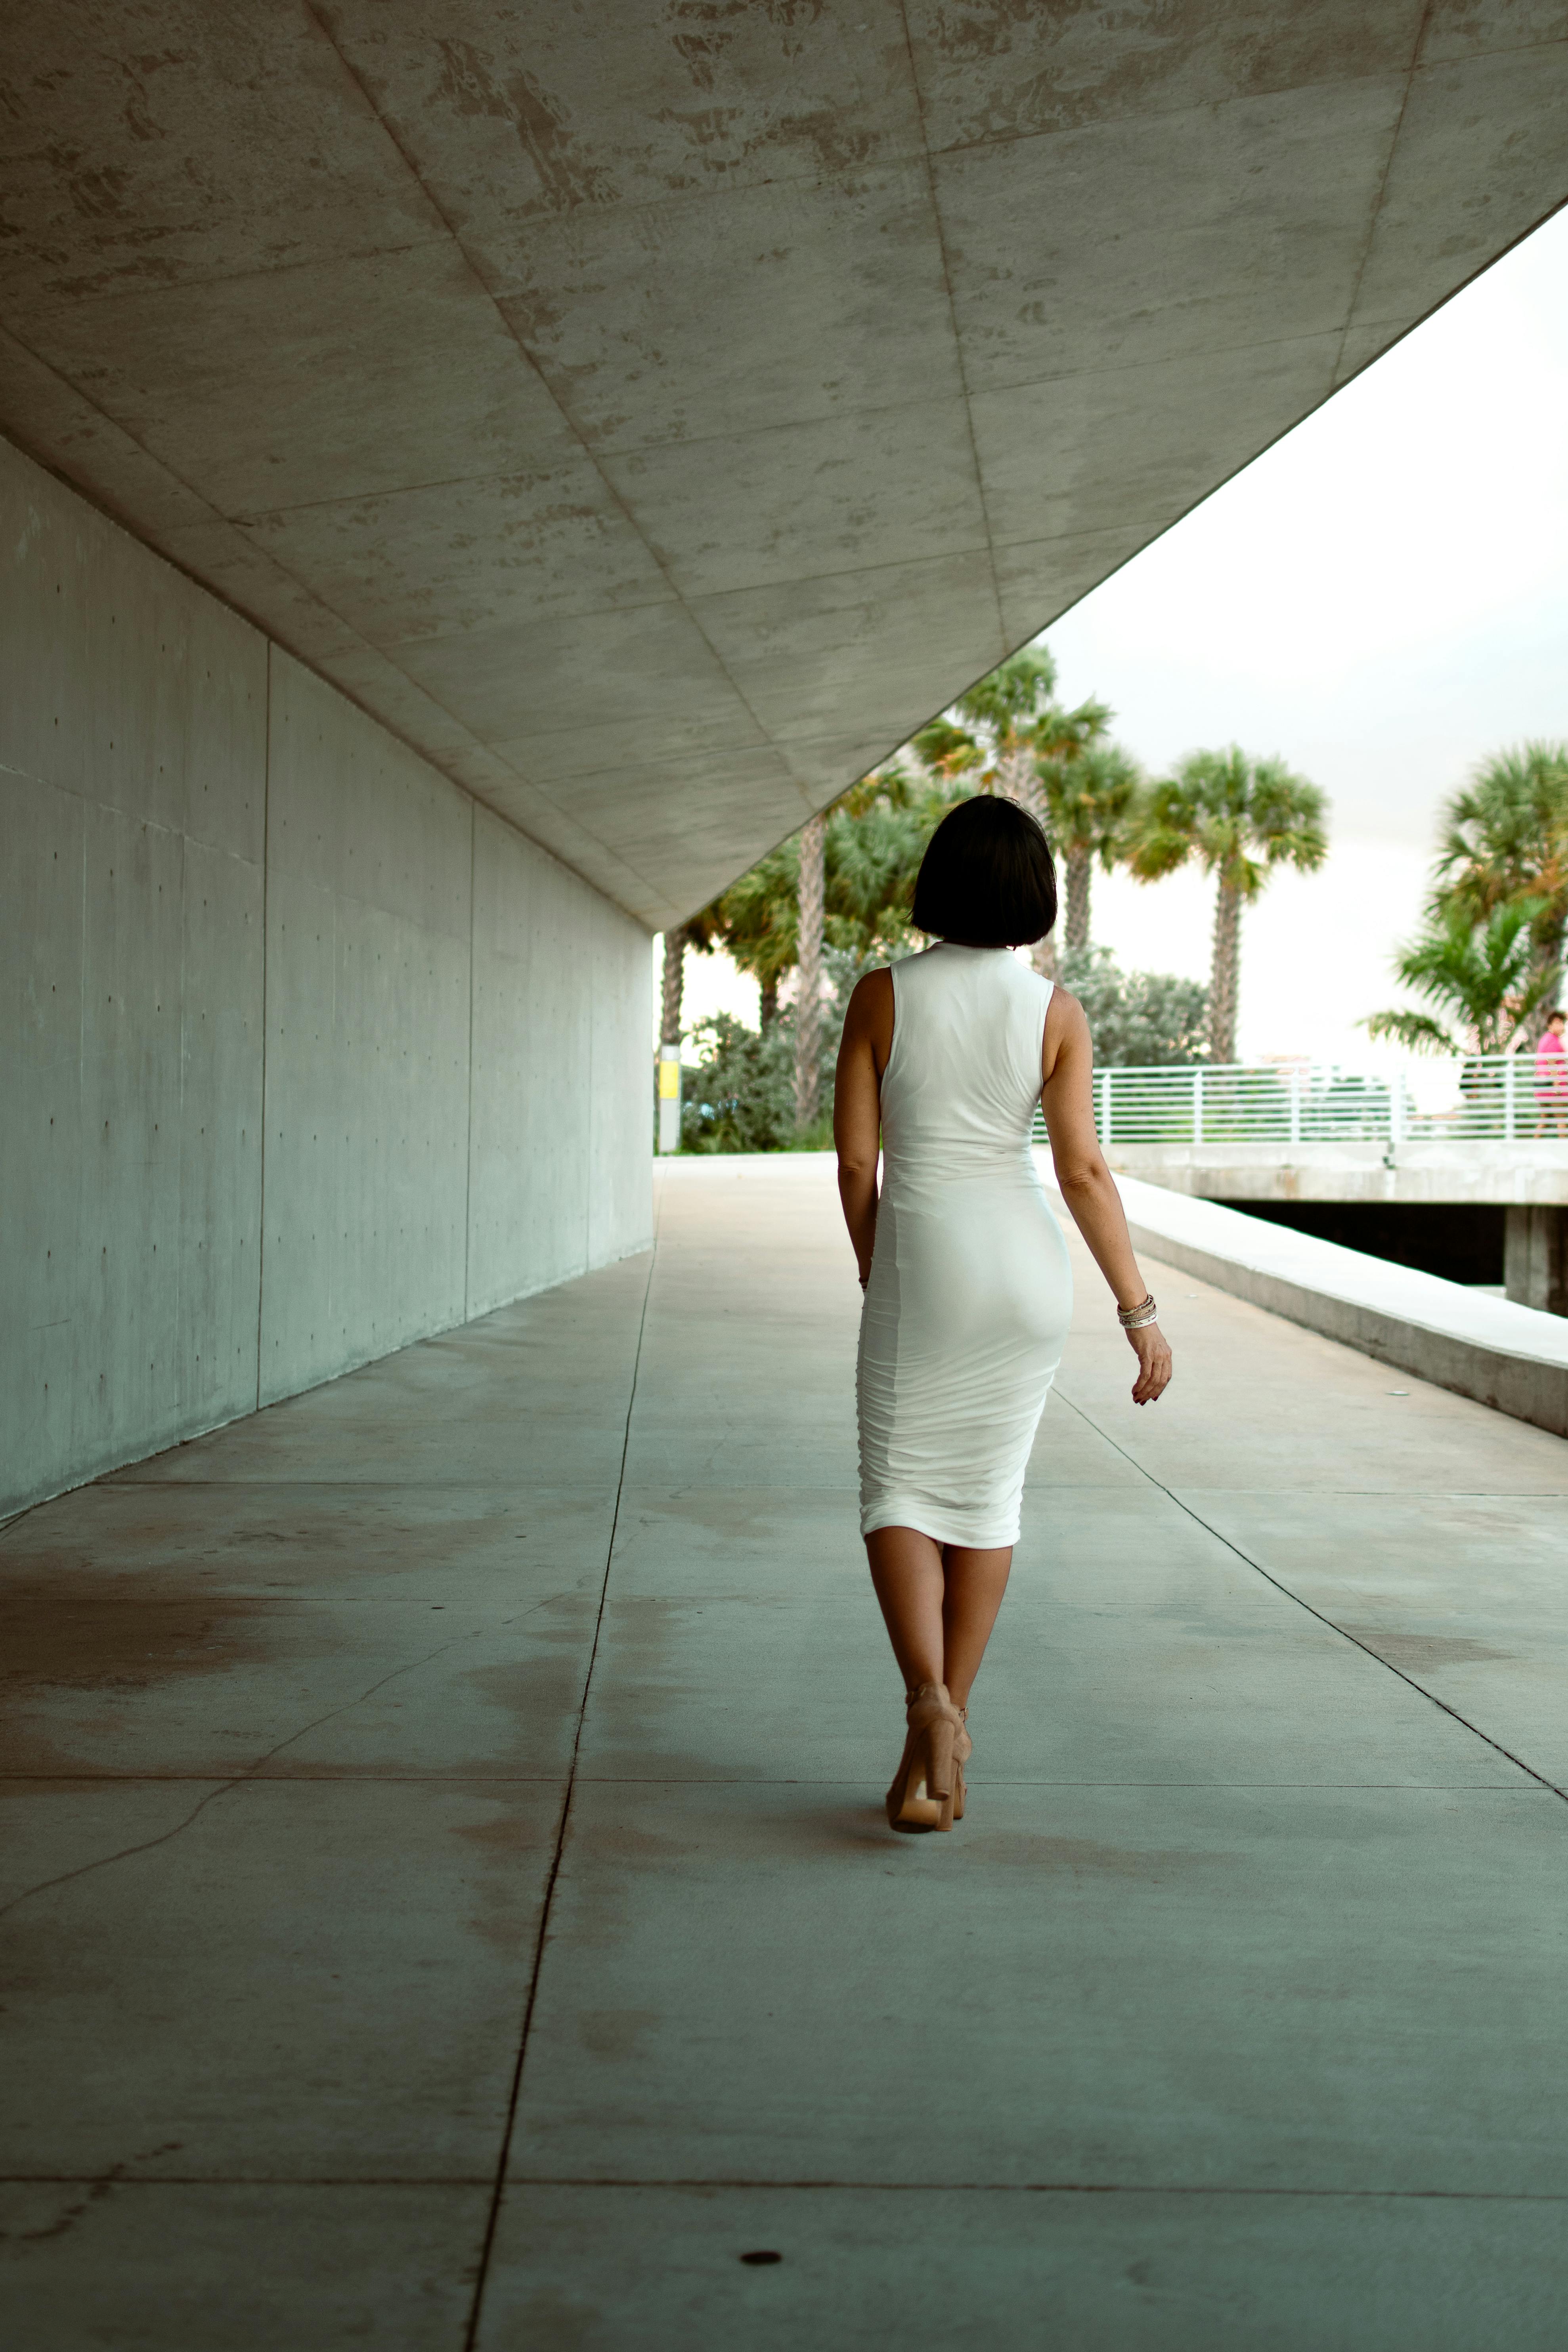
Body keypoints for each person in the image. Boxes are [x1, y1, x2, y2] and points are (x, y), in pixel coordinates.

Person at [834, 795, 1172, 1835]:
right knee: (985, 1499)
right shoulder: (1054, 1010)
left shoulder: (881, 994)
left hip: (925, 1256)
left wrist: (875, 1266)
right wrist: (1137, 1309)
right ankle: (940, 1750)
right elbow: (1079, 1168)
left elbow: (856, 1161)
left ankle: (924, 1699)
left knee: (898, 1485)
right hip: (1027, 1271)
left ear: (938, 881)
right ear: (1034, 894)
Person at [1535, 1010, 1567, 1138]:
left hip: (1543, 1086)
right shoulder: (1553, 1040)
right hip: (1554, 1087)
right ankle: (1564, 1153)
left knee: (1545, 1120)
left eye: (1562, 1023)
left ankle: (1532, 1148)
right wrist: (1557, 1085)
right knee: (1562, 1120)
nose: (1561, 1026)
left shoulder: (1545, 1039)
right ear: (1550, 1025)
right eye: (1557, 1023)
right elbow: (1552, 1062)